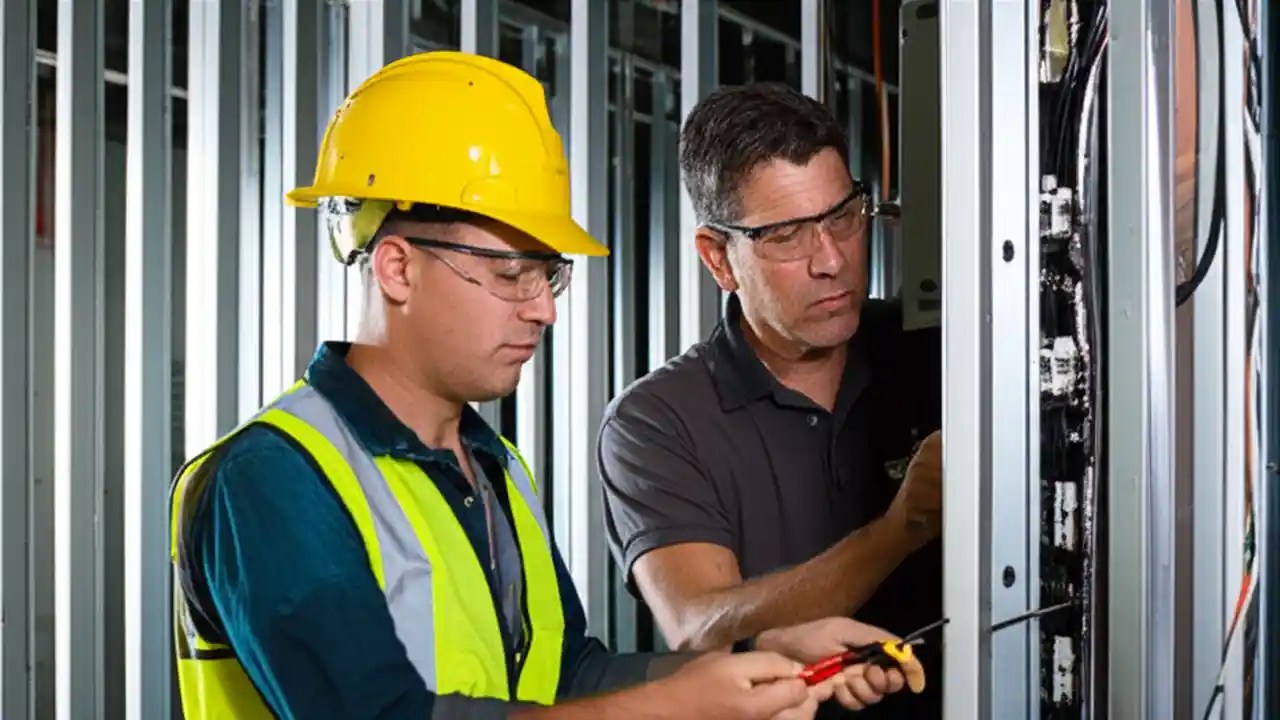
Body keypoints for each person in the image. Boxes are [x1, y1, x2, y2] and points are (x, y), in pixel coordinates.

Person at [167, 52, 926, 720]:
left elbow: (570, 678)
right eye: (511, 274)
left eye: (548, 274)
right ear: (397, 267)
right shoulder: (272, 479)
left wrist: (761, 655)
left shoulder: (491, 467)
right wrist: (671, 708)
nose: (545, 309)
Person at [597, 82, 945, 719]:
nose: (832, 260)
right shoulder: (658, 422)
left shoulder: (939, 357)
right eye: (786, 236)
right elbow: (698, 627)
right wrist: (902, 530)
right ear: (718, 259)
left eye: (843, 216)